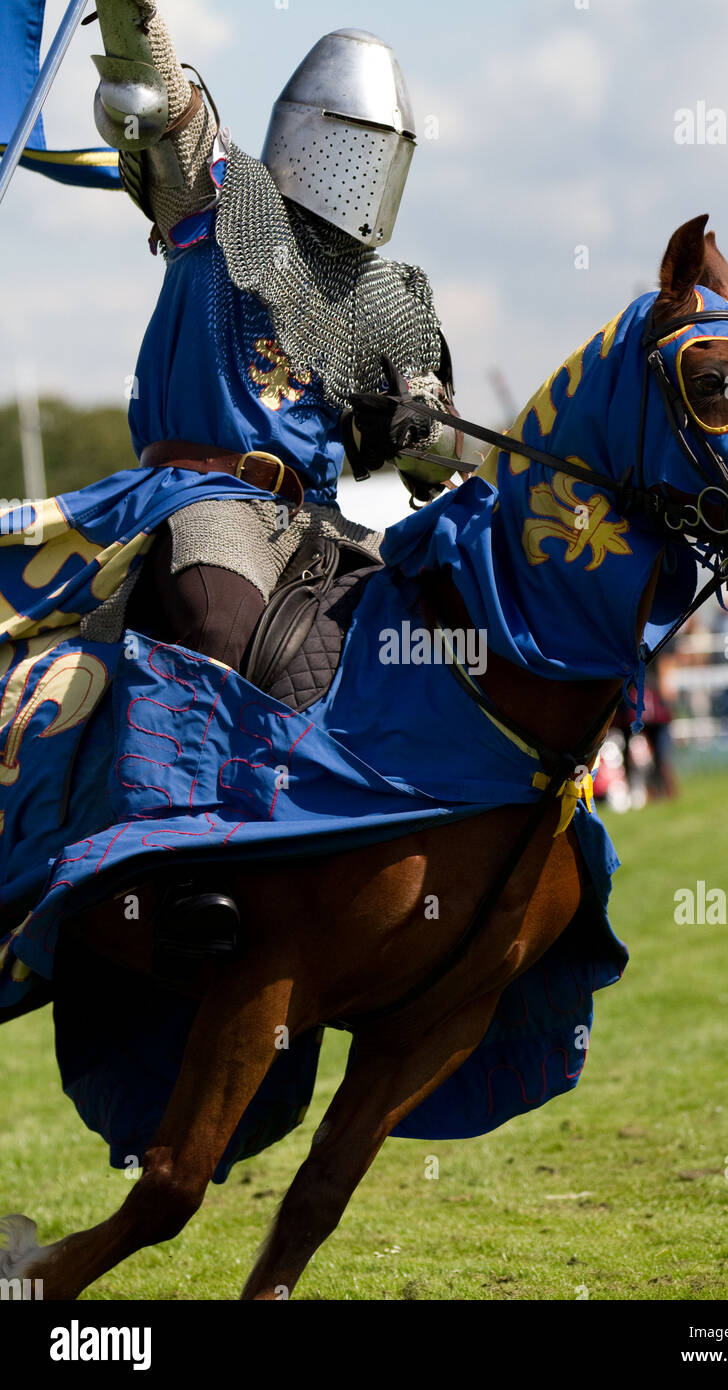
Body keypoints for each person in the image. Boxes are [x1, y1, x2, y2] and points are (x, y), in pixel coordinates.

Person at [86, 4, 463, 956]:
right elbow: (168, 110)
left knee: (436, 624)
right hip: (207, 497)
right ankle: (187, 860)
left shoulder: (386, 297)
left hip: (324, 518)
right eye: (360, 148)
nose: (369, 175)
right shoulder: (222, 206)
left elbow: (441, 457)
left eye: (390, 155)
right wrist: (134, 16)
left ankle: (437, 839)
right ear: (312, 135)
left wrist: (420, 428)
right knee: (217, 617)